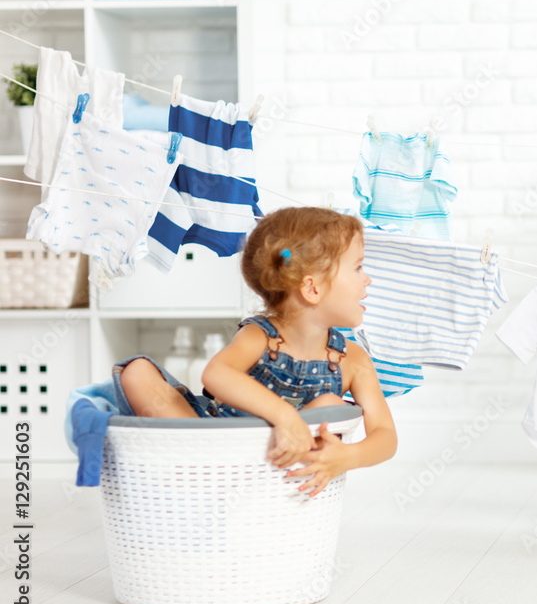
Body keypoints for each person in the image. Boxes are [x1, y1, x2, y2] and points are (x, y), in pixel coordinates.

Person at [115, 207, 397, 496]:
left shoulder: (353, 360)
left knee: (328, 402)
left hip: (275, 462)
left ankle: (223, 475)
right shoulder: (261, 336)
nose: (367, 280)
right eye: (358, 267)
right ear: (312, 289)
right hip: (218, 437)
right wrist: (284, 416)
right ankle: (205, 464)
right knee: (137, 371)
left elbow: (385, 436)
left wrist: (348, 457)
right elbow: (215, 374)